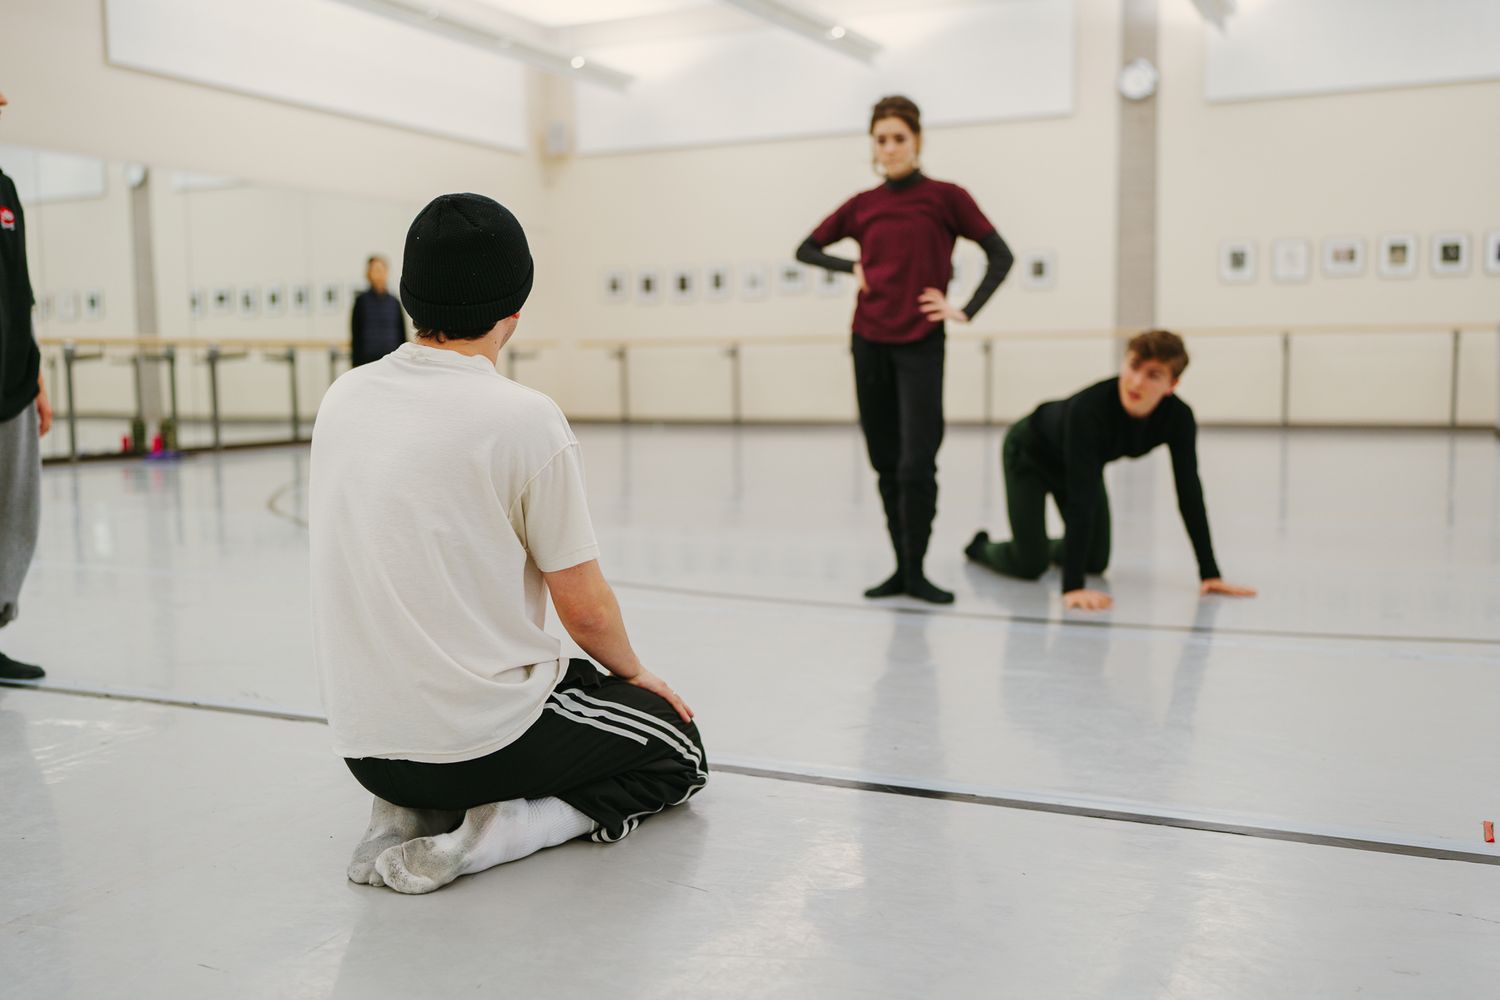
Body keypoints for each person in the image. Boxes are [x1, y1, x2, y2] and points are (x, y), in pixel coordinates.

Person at [310, 193, 706, 895]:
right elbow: (585, 612)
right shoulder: (525, 418)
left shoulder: (342, 398)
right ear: (515, 310)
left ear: (408, 296)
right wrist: (637, 674)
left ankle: (404, 810)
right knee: (677, 749)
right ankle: (506, 830)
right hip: (477, 744)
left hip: (366, 751)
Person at [797, 95, 1013, 605]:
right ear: (873, 145)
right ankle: (901, 566)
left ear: (917, 141)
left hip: (921, 343)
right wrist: (852, 268)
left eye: (899, 138)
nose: (890, 148)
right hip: (868, 341)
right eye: (881, 140)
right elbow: (806, 248)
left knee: (918, 461)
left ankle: (917, 570)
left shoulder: (946, 198)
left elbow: (1000, 255)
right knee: (885, 461)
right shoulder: (863, 205)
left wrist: (964, 308)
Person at [964, 329, 1257, 611]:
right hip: (1029, 453)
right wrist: (1073, 587)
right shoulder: (1089, 410)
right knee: (1030, 564)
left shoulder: (1179, 418)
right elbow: (1081, 500)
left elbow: (1189, 492)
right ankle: (982, 547)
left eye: (1153, 375)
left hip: (1078, 463)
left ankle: (1038, 544)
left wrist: (1209, 572)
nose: (1136, 382)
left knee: (1095, 560)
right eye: (1134, 366)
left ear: (1172, 384)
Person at [0, 88, 51, 682]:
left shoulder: (5, 190)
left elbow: (21, 291)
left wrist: (36, 377)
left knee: (15, 513)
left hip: (13, 381)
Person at [348, 255, 407, 366]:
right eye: (375, 270)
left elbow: (401, 334)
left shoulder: (394, 302)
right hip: (368, 362)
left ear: (386, 272)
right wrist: (356, 364)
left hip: (392, 361)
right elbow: (356, 336)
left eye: (381, 270)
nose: (379, 274)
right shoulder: (361, 301)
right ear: (368, 274)